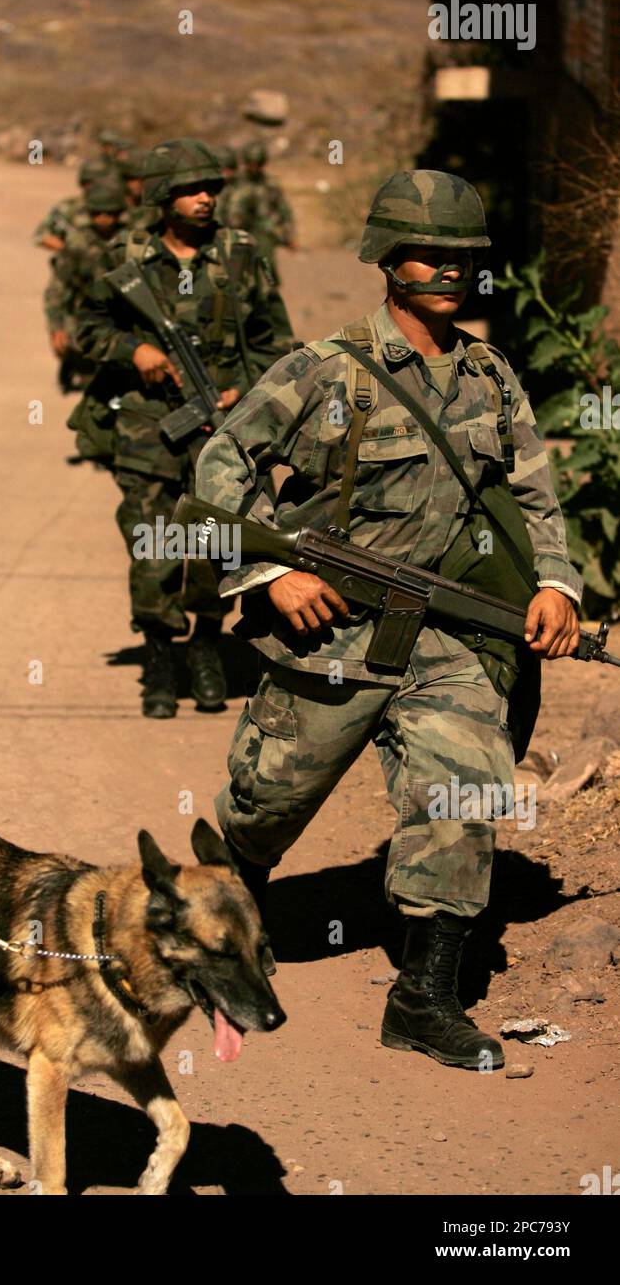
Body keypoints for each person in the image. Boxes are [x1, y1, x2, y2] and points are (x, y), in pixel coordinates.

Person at [195, 168, 583, 1069]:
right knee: (266, 808)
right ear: (386, 259)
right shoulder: (324, 371)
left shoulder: (490, 376)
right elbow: (219, 472)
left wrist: (556, 585)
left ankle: (423, 997)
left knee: (463, 788)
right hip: (332, 633)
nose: (450, 272)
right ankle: (218, 922)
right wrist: (270, 568)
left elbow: (535, 496)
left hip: (448, 633)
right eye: (430, 254)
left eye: (464, 258)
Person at [76, 138, 293, 719]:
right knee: (154, 548)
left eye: (211, 189)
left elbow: (278, 344)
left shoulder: (242, 253)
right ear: (161, 198)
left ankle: (204, 646)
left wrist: (243, 391)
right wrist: (135, 349)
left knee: (215, 545)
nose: (205, 199)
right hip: (148, 431)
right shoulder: (126, 257)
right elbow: (87, 329)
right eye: (191, 190)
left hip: (224, 429)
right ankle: (158, 657)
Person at [46, 176, 127, 393]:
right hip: (86, 313)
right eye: (98, 214)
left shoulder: (131, 240)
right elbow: (58, 287)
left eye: (110, 214)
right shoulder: (78, 243)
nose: (104, 219)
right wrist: (57, 328)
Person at [226, 140, 296, 284]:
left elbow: (284, 210)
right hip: (238, 231)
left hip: (264, 231)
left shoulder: (270, 184)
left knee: (266, 268)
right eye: (251, 164)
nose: (254, 168)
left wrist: (289, 234)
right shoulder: (236, 183)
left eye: (258, 164)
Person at [31, 156, 113, 254]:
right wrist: (71, 251)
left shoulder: (121, 207)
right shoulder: (69, 207)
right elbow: (41, 235)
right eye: (91, 183)